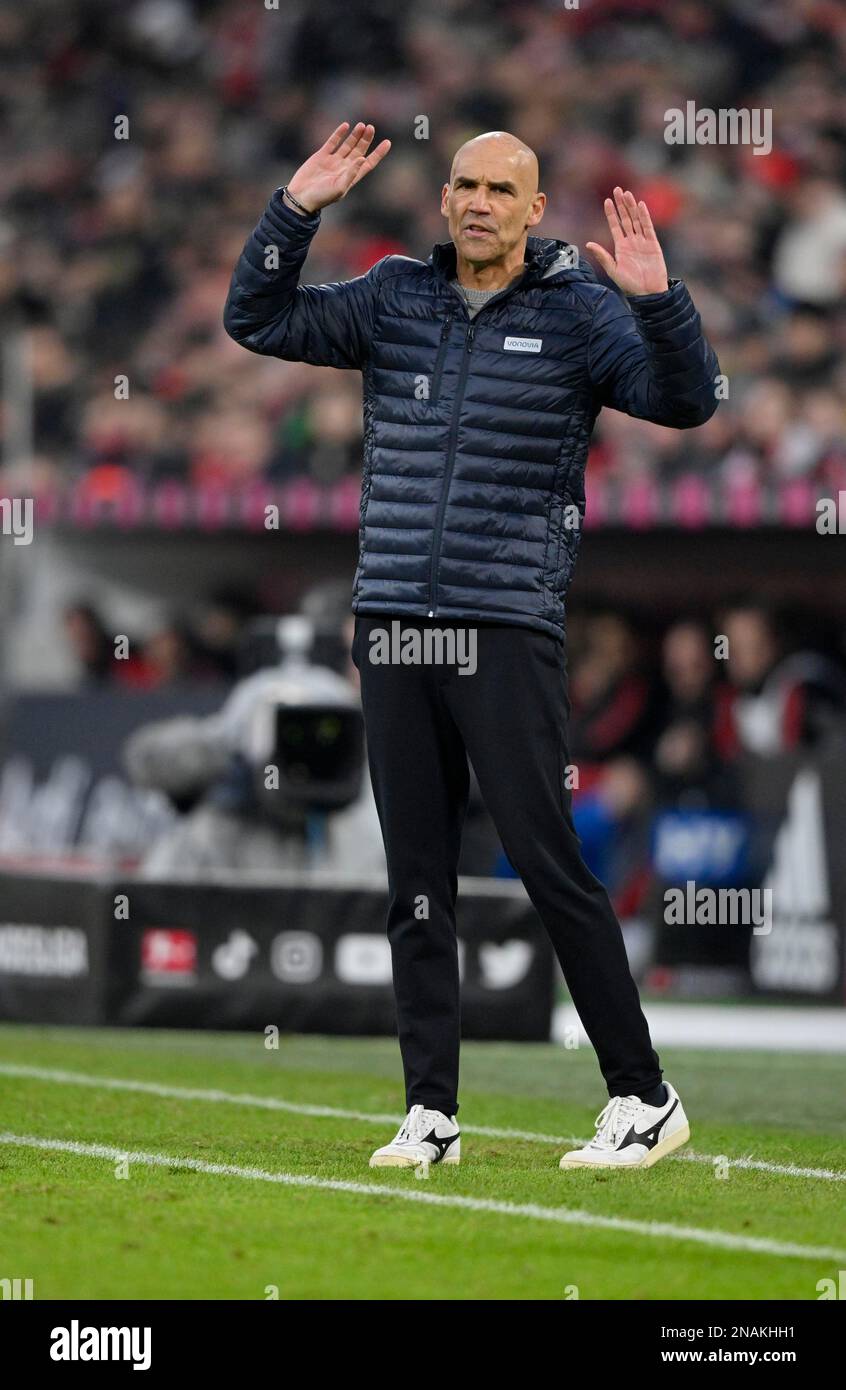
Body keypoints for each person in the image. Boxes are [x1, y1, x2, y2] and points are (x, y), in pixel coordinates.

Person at [224, 121, 721, 1171]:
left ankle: (644, 1095)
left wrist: (657, 302)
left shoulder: (583, 311)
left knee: (548, 863)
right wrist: (296, 209)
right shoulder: (393, 295)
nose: (481, 200)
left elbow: (685, 401)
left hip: (504, 623)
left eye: (503, 187)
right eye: (464, 184)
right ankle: (431, 1113)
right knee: (416, 880)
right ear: (443, 199)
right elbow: (255, 317)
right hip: (395, 616)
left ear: (537, 210)